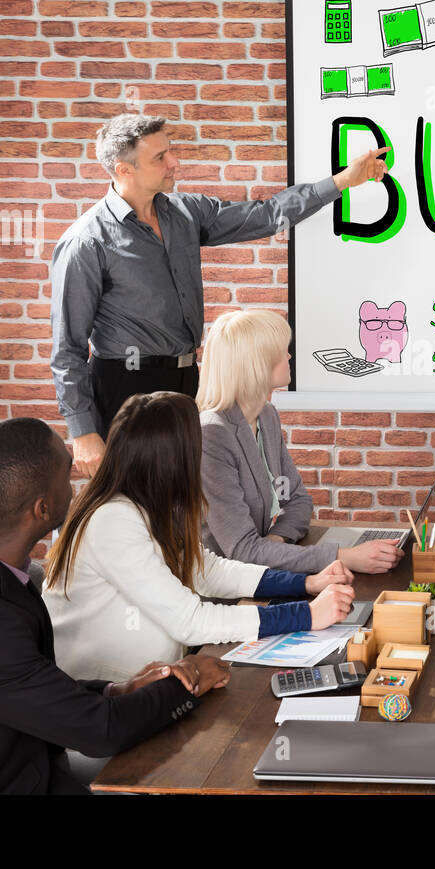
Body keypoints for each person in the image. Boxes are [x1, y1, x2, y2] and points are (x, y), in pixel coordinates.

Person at [0, 418, 229, 794]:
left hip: (16, 760)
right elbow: (102, 733)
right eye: (67, 474)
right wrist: (189, 686)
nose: (76, 480)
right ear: (42, 509)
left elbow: (28, 684)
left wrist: (117, 691)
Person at [51, 112, 391, 478]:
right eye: (160, 158)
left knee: (184, 502)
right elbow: (67, 348)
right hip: (125, 388)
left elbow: (266, 215)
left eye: (170, 151)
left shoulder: (184, 212)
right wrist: (83, 431)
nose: (174, 162)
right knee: (135, 507)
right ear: (124, 170)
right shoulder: (86, 242)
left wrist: (342, 181)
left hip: (186, 381)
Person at [43, 391, 355, 683]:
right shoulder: (113, 521)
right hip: (114, 697)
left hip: (157, 681)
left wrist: (305, 583)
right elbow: (191, 622)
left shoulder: (150, 504)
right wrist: (306, 614)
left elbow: (207, 570)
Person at [195, 309, 402, 575]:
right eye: (282, 351)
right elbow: (242, 550)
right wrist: (344, 557)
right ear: (257, 363)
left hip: (260, 571)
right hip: (224, 588)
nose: (289, 356)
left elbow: (298, 500)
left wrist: (275, 542)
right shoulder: (212, 434)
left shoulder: (265, 416)